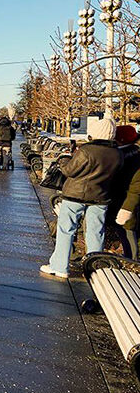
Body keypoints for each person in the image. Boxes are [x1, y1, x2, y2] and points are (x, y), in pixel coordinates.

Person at [41, 117, 121, 279]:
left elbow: (70, 170)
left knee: (66, 229)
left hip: (76, 195)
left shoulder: (87, 150)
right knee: (95, 232)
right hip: (100, 197)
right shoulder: (117, 154)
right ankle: (93, 268)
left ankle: (60, 266)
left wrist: (64, 159)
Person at [108, 126, 140, 259]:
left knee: (128, 233)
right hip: (120, 201)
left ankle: (132, 261)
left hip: (126, 204)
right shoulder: (126, 154)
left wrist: (127, 209)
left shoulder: (130, 158)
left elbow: (136, 188)